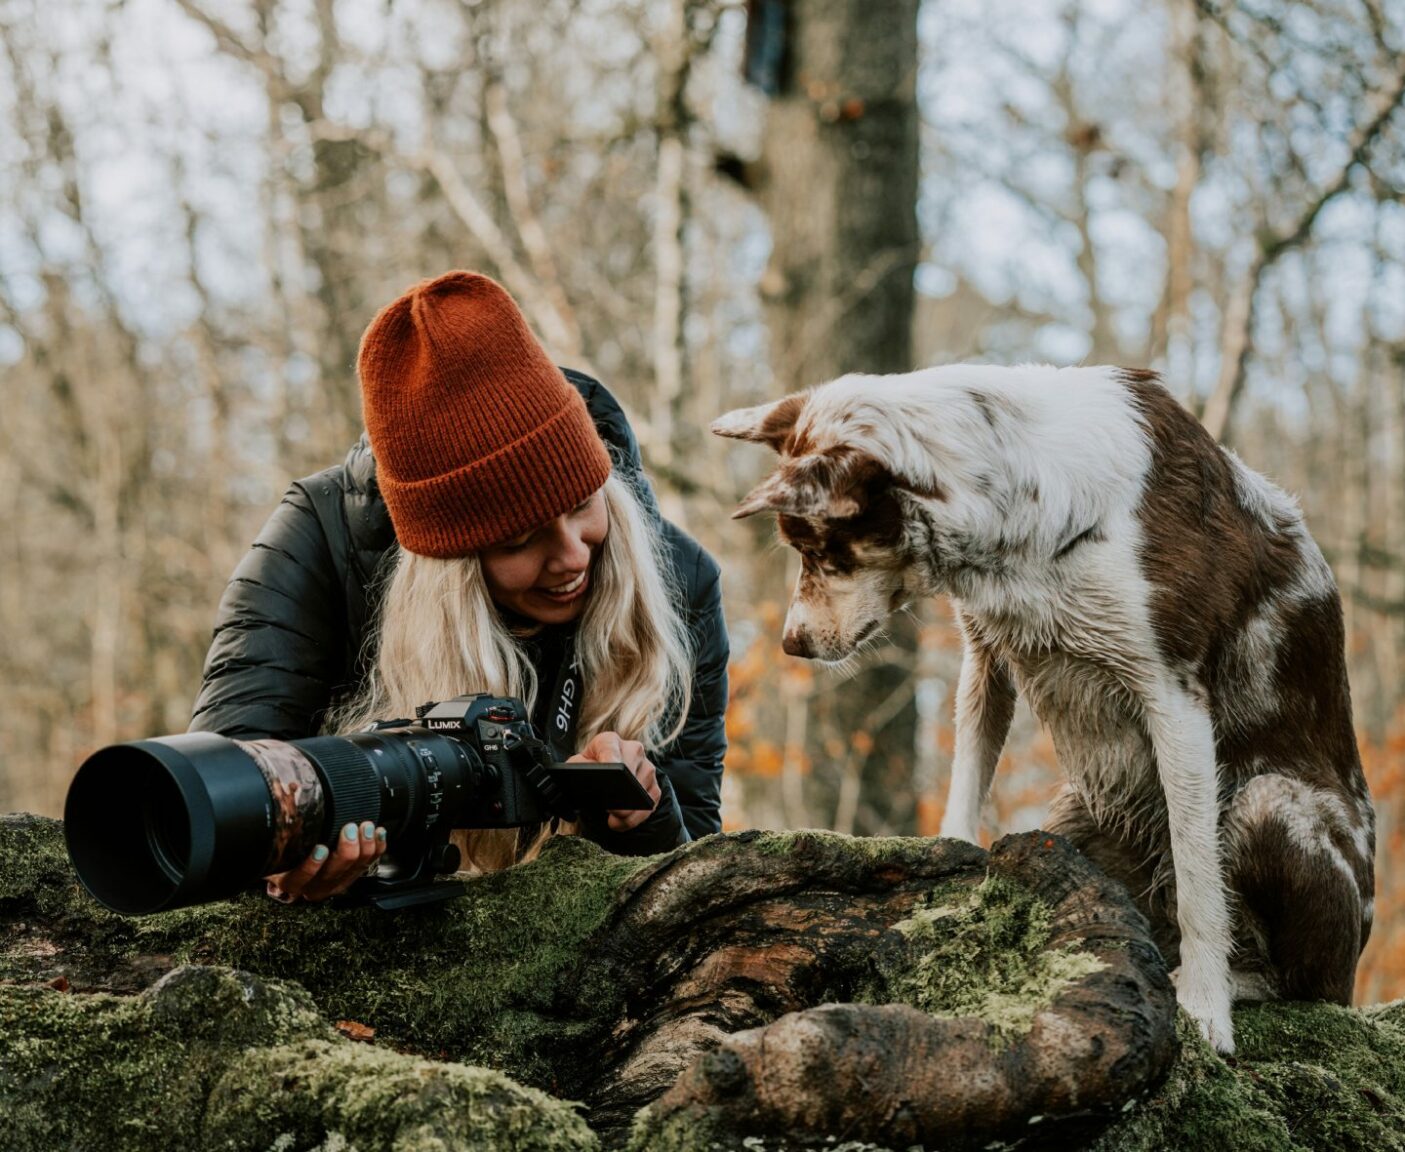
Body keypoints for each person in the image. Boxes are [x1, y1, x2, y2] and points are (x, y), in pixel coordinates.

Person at [189, 271, 728, 902]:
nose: (570, 556)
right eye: (517, 541)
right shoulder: (319, 540)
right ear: (447, 565)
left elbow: (702, 875)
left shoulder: (678, 581)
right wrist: (280, 870)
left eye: (583, 504)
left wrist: (644, 820)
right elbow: (221, 795)